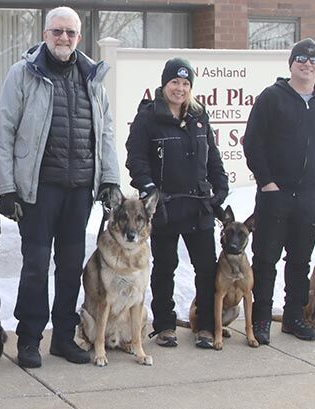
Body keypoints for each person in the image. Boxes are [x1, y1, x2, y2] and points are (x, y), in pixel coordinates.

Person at [0, 6, 121, 368]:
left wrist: (109, 179)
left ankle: (63, 338)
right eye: (57, 31)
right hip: (38, 190)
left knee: (69, 267)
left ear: (79, 38)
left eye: (70, 33)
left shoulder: (93, 78)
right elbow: (3, 133)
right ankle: (30, 339)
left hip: (80, 190)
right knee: (35, 266)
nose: (64, 38)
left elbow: (105, 133)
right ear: (45, 34)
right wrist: (6, 188)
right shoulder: (22, 74)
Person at [244, 38, 315, 344]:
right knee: (265, 259)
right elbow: (253, 142)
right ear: (291, 64)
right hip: (274, 194)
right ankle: (261, 319)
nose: (307, 64)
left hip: (307, 197)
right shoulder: (272, 98)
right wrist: (267, 182)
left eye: (314, 61)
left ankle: (293, 318)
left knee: (299, 260)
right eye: (301, 58)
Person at [125, 57, 229, 349]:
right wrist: (148, 190)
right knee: (164, 268)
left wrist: (220, 187)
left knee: (206, 269)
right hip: (165, 208)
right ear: (164, 84)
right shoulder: (149, 116)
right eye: (174, 82)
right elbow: (136, 158)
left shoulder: (198, 116)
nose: (180, 88)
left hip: (198, 206)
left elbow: (213, 157)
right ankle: (165, 326)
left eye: (185, 83)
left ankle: (206, 327)